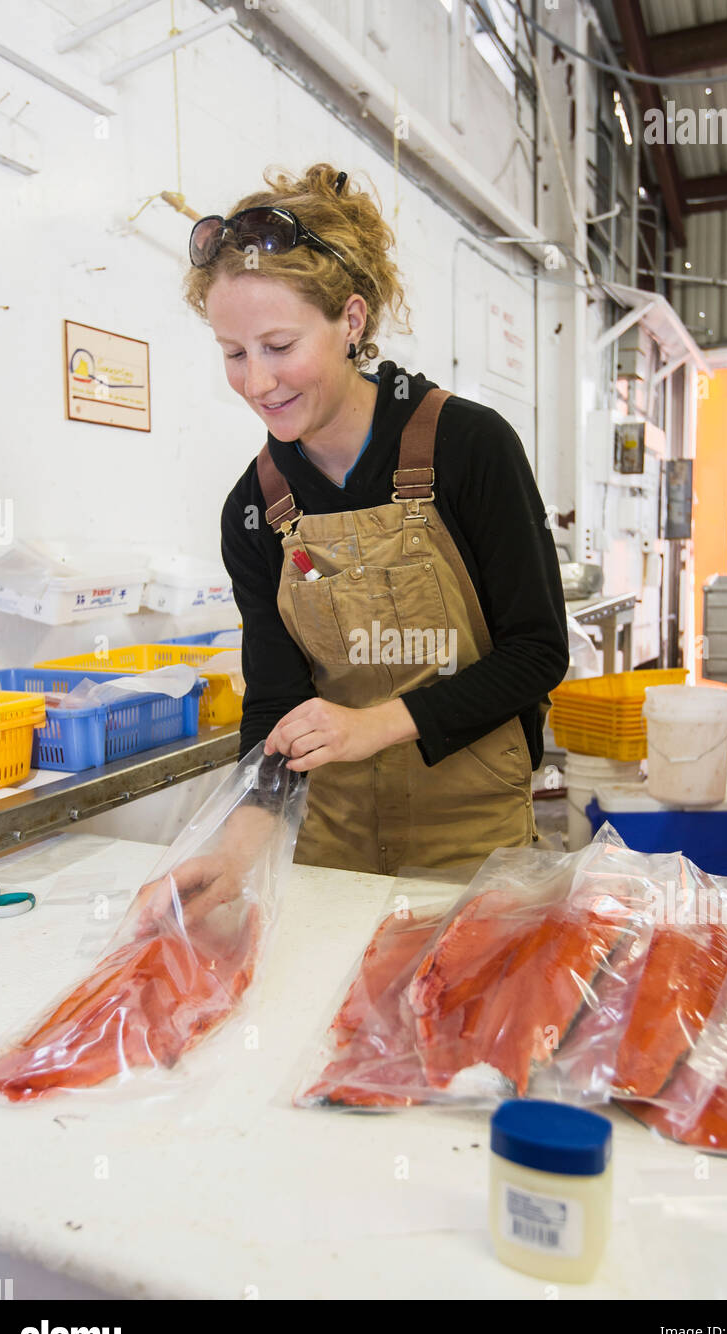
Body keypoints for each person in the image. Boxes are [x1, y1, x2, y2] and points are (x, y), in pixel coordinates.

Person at [159, 161, 567, 925]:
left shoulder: (468, 446)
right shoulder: (256, 506)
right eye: (233, 352)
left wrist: (373, 724)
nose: (257, 382)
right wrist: (238, 844)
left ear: (351, 320)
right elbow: (278, 703)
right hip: (332, 842)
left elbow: (537, 653)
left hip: (471, 840)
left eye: (279, 344)